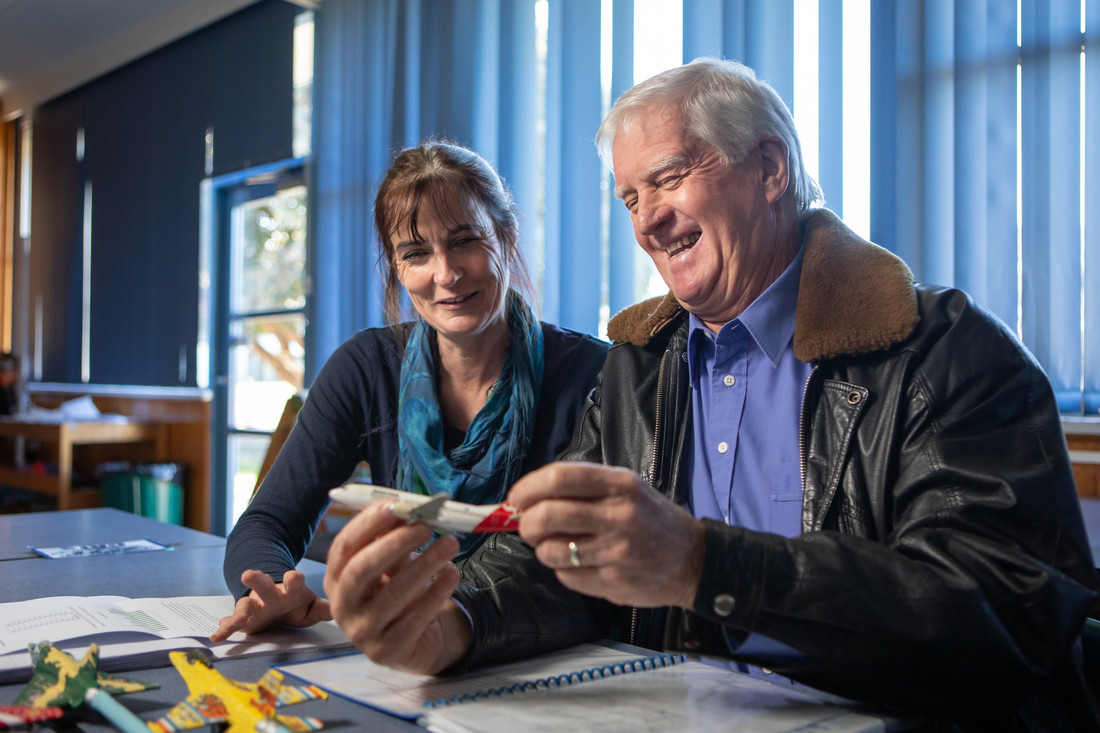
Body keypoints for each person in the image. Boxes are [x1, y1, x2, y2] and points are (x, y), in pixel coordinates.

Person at [322, 60, 1100, 729]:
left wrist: (706, 564)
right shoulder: (637, 366)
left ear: (770, 169)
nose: (649, 220)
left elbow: (1001, 618)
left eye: (669, 178)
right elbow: (557, 561)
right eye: (629, 197)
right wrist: (447, 630)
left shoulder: (945, 349)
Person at [213, 140, 608, 641]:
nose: (445, 274)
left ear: (506, 238)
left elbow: (589, 567)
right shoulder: (368, 367)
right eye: (416, 253)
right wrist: (269, 588)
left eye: (465, 241)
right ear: (398, 268)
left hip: (543, 652)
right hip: (405, 647)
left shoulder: (593, 375)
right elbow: (268, 522)